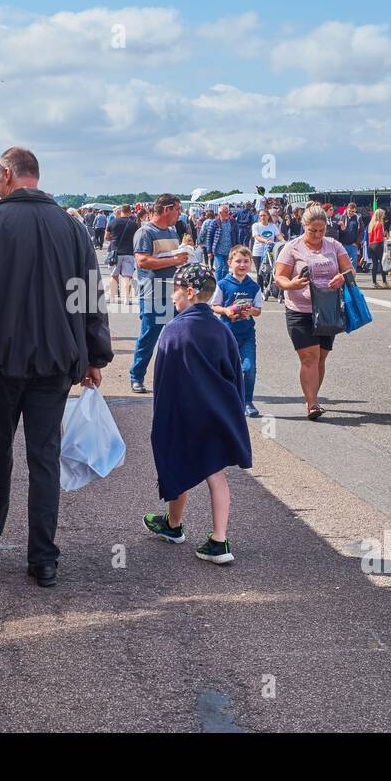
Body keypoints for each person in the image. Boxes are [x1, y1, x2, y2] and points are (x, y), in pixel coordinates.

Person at [0, 147, 113, 587]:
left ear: (5, 175)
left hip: (1, 361)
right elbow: (89, 296)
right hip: (56, 362)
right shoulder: (72, 228)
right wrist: (95, 355)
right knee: (45, 457)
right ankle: (43, 557)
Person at [142, 262, 251, 565]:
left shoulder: (173, 330)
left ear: (189, 292)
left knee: (178, 468)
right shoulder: (221, 330)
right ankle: (219, 540)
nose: (173, 297)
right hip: (218, 415)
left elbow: (163, 381)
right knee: (216, 475)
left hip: (183, 415)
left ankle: (174, 525)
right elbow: (235, 375)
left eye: (176, 291)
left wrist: (161, 421)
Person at [272, 205, 352, 421]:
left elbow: (349, 269)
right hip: (300, 310)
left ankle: (313, 395)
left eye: (321, 230)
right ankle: (312, 404)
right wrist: (292, 284)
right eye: (312, 230)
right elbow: (279, 277)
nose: (317, 235)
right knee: (309, 356)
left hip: (327, 309)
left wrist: (343, 277)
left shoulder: (334, 245)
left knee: (321, 358)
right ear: (304, 226)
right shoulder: (292, 248)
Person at [129, 193, 188, 394]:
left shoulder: (172, 232)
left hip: (174, 292)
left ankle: (175, 377)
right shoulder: (145, 232)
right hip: (153, 293)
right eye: (177, 209)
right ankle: (136, 376)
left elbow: (173, 257)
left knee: (178, 338)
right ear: (166, 209)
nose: (179, 214)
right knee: (149, 338)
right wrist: (174, 260)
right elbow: (142, 261)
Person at [211, 245, 263, 417]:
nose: (242, 265)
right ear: (229, 263)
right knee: (225, 368)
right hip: (226, 333)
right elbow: (215, 306)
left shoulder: (253, 286)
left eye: (246, 261)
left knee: (248, 368)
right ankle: (223, 400)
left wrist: (251, 311)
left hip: (247, 334)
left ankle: (247, 401)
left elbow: (258, 310)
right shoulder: (223, 284)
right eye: (238, 261)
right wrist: (226, 311)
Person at [106, 203, 140, 304]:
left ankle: (112, 297)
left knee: (114, 275)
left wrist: (113, 240)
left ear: (121, 211)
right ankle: (126, 299)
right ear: (130, 212)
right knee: (127, 276)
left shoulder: (113, 222)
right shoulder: (134, 224)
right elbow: (137, 238)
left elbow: (106, 237)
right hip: (129, 252)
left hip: (115, 252)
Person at [200, 204, 233, 281]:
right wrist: (209, 251)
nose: (228, 213)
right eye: (225, 212)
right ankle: (218, 285)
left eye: (228, 211)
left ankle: (224, 284)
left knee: (226, 269)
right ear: (220, 213)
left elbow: (235, 235)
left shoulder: (231, 222)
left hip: (228, 250)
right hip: (218, 250)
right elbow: (209, 238)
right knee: (219, 268)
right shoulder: (215, 223)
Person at [250, 208, 280, 281]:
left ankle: (269, 288)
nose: (262, 217)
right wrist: (266, 241)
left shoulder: (272, 225)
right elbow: (257, 236)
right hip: (258, 252)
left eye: (264, 215)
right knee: (259, 273)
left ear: (268, 216)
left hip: (270, 251)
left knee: (271, 270)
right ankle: (261, 290)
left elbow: (278, 235)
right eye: (260, 216)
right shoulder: (255, 225)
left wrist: (284, 241)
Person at [367, 207, 389, 288]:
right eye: (383, 214)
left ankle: (374, 282)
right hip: (378, 245)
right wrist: (384, 237)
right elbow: (378, 237)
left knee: (375, 264)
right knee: (382, 263)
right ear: (380, 215)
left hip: (371, 245)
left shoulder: (371, 224)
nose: (384, 216)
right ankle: (384, 282)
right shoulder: (379, 224)